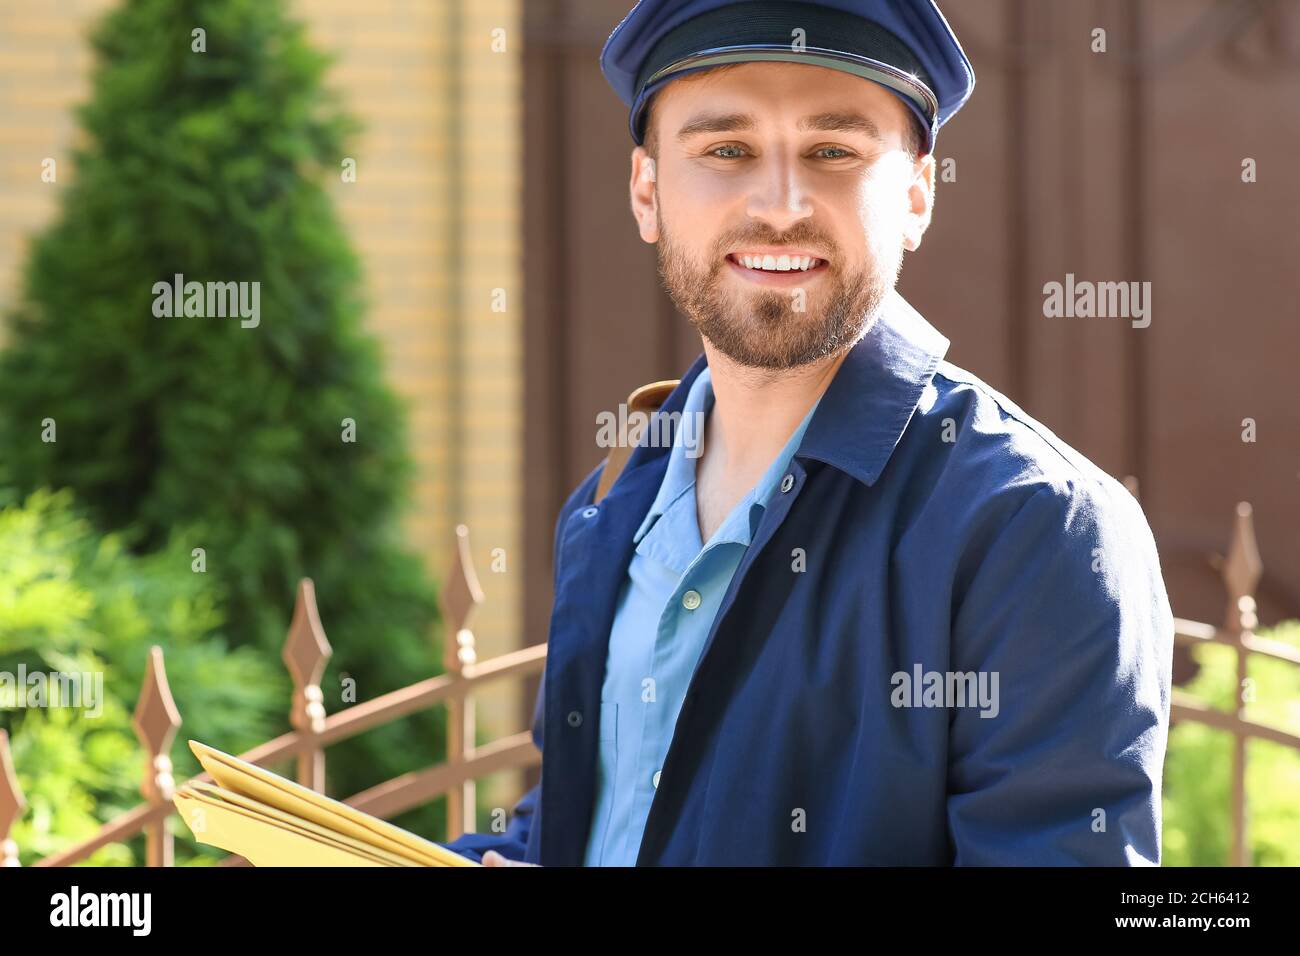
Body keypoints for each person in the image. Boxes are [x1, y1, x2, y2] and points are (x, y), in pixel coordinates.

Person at [446, 0, 1174, 867]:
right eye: (727, 150)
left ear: (915, 196)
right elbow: (604, 818)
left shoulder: (1036, 528)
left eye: (834, 152)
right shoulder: (620, 495)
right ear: (648, 193)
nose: (781, 205)